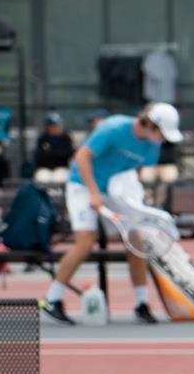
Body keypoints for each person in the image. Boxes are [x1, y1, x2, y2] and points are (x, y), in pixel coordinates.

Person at [43, 102, 184, 325]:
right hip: (82, 185)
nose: (164, 139)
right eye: (163, 133)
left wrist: (132, 199)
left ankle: (141, 303)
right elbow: (81, 157)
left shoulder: (153, 146)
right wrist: (94, 193)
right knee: (85, 243)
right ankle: (53, 299)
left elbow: (134, 170)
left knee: (136, 241)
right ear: (151, 125)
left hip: (114, 189)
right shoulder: (113, 128)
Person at [32, 112, 74, 182]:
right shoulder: (43, 138)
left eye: (58, 125)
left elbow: (68, 154)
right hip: (44, 168)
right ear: (48, 127)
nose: (57, 127)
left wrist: (50, 151)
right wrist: (57, 152)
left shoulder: (66, 138)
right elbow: (40, 156)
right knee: (43, 178)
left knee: (59, 178)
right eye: (54, 126)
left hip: (61, 168)